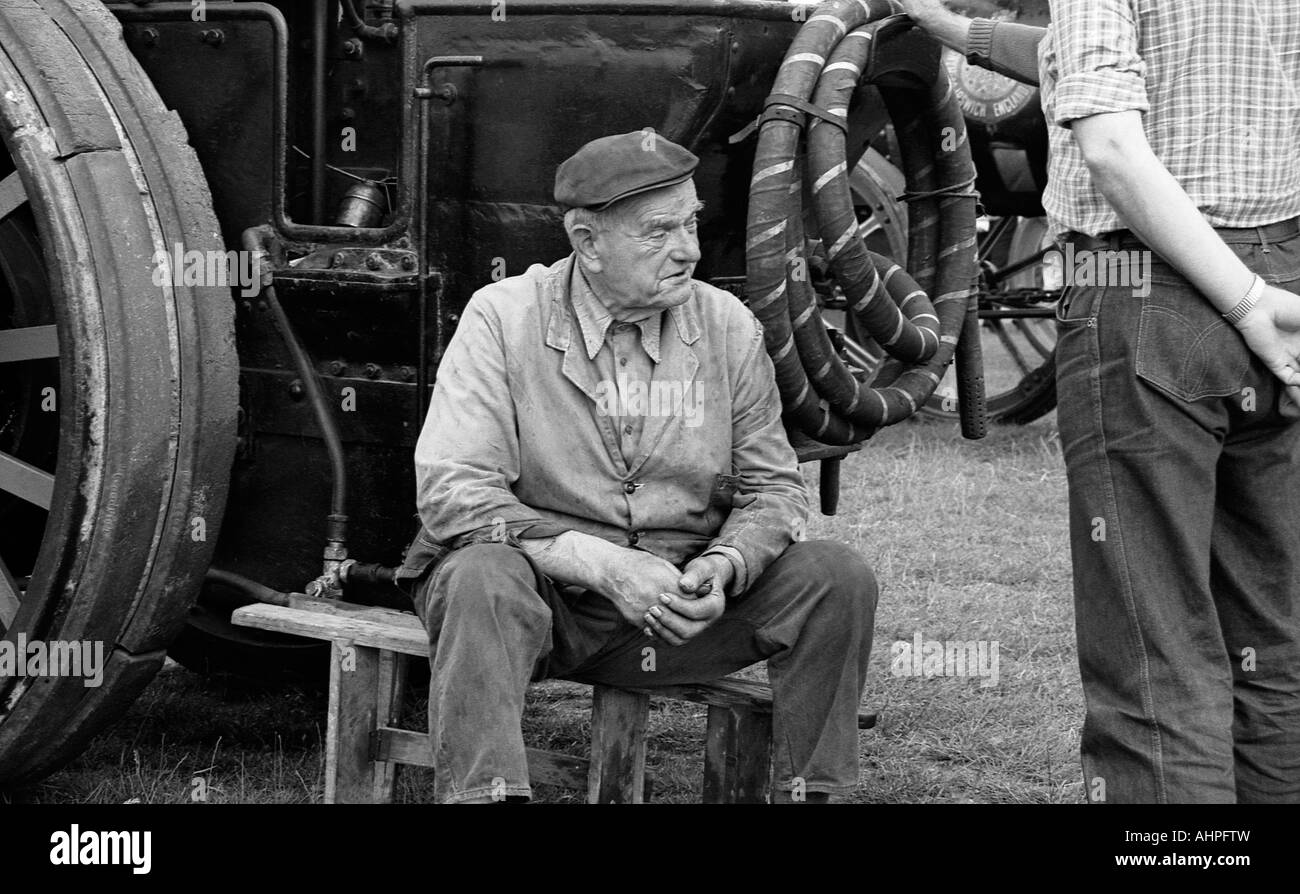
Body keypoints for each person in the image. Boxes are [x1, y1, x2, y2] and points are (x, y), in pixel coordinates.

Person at [395, 130, 879, 803]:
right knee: (479, 576)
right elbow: (453, 491)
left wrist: (724, 565)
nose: (689, 249)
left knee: (836, 577)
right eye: (659, 231)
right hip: (547, 605)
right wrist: (604, 565)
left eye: (691, 223)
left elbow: (774, 489)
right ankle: (486, 796)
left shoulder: (728, 326)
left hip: (679, 611)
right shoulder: (503, 317)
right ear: (588, 242)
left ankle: (814, 794)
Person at [905, 0, 1300, 803]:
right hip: (1286, 282)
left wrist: (1244, 299)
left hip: (1150, 282)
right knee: (1274, 638)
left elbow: (1113, 148)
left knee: (1155, 659)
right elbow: (1082, 55)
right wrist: (950, 26)